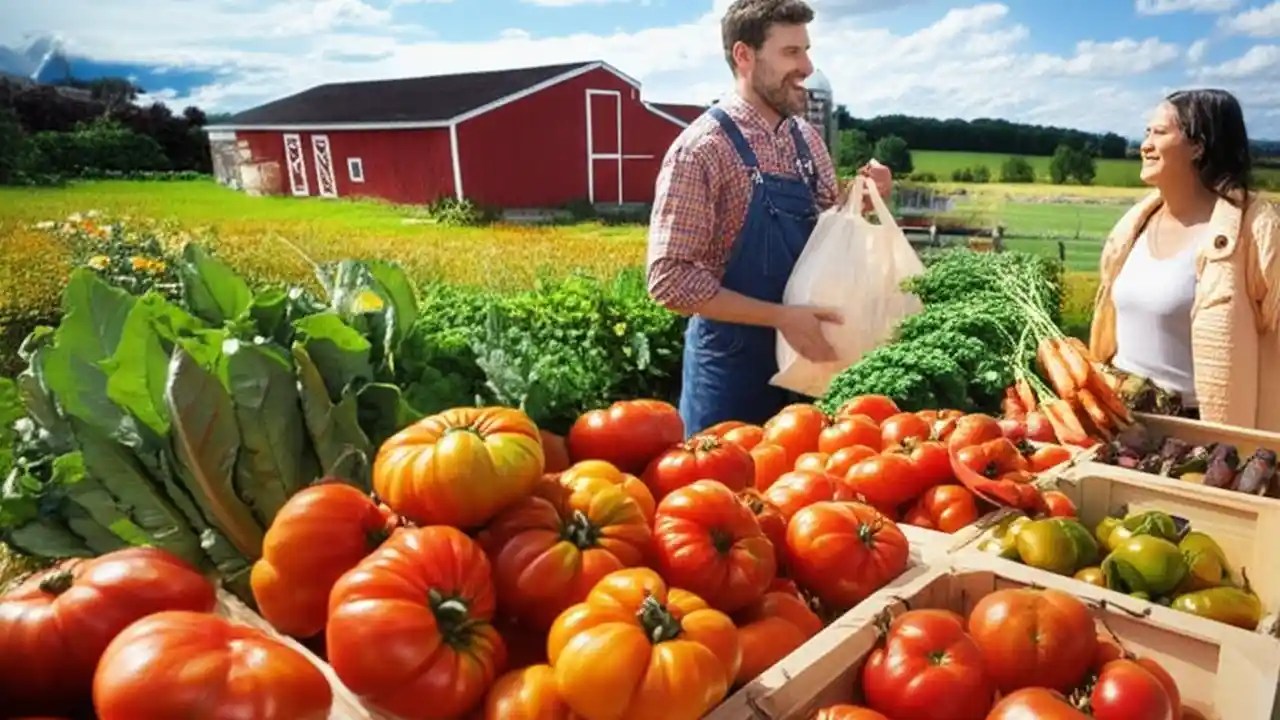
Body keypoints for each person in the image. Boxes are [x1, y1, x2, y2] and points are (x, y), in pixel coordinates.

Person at [646, 0, 892, 436]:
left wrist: (860, 201)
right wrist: (781, 317)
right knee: (726, 497)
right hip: (732, 374)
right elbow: (669, 281)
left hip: (807, 370)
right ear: (745, 56)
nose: (807, 66)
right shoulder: (702, 150)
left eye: (807, 51)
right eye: (791, 52)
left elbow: (820, 232)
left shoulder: (806, 140)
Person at [1090, 88, 1280, 431]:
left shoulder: (1255, 231)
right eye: (1147, 132)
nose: (1144, 145)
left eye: (1159, 133)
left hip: (1197, 435)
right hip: (1116, 422)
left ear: (1198, 145)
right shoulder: (1134, 224)